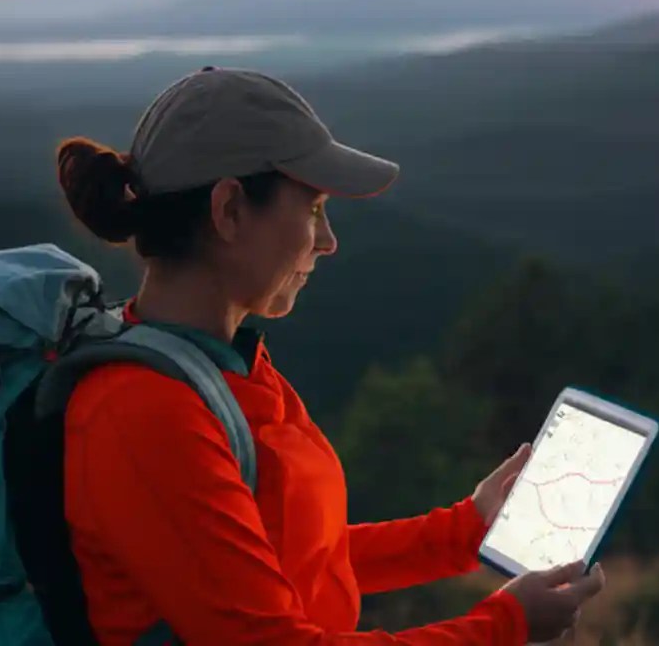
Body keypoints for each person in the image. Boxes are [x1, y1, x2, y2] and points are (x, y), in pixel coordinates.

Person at [55, 66, 605, 645]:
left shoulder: (220, 365)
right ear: (230, 210)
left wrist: (463, 533)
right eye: (314, 208)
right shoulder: (146, 412)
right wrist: (504, 626)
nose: (328, 240)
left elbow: (290, 557)